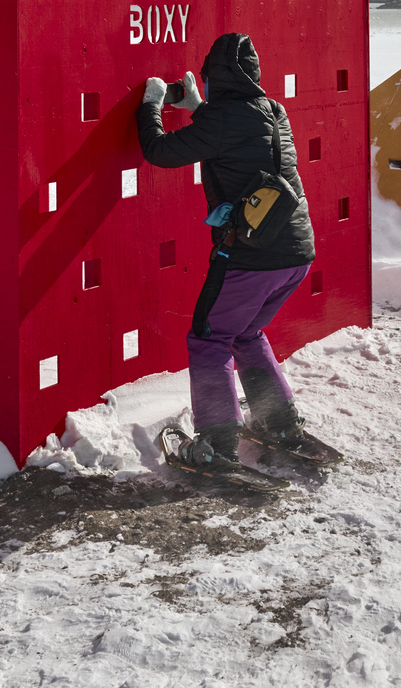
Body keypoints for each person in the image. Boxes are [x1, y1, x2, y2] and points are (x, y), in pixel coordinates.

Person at [137, 32, 324, 475]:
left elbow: (159, 152)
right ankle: (279, 424)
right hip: (296, 254)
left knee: (209, 338)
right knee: (245, 334)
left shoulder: (221, 120)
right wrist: (199, 109)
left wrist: (152, 104)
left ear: (214, 77)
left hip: (251, 258)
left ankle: (218, 443)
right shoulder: (274, 111)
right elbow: (242, 139)